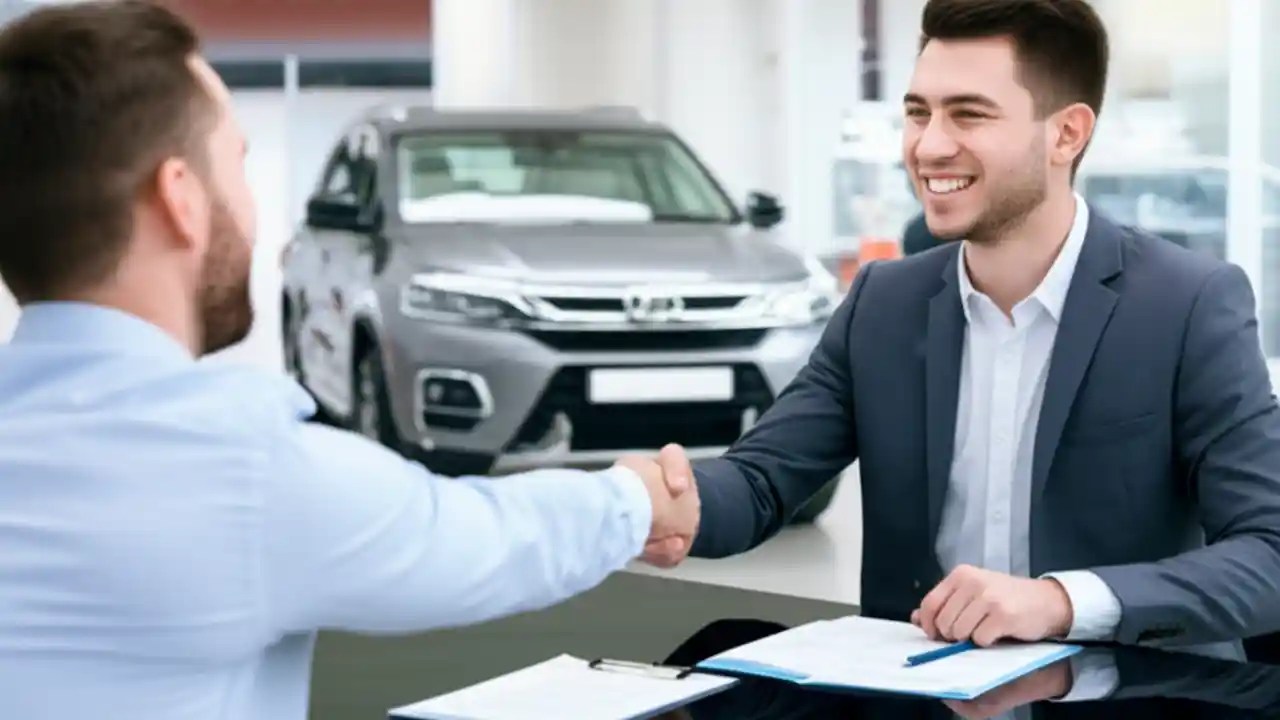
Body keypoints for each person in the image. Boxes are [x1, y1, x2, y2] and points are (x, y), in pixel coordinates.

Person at [0, 2, 696, 719]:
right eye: (237, 163)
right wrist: (636, 498)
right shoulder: (237, 467)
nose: (252, 203)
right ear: (180, 197)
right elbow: (471, 536)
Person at [641, 0, 1280, 664]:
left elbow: (1270, 552)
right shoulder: (882, 303)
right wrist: (662, 500)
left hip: (1129, 694)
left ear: (1066, 134)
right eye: (918, 113)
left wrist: (1060, 601)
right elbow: (759, 482)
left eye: (968, 114)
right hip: (917, 695)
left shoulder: (1186, 304)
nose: (928, 145)